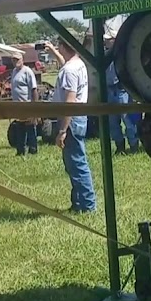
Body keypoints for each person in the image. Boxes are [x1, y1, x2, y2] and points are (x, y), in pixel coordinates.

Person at [52, 35, 96, 213]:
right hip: (79, 117)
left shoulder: (69, 70)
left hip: (71, 119)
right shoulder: (78, 64)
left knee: (76, 163)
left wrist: (63, 129)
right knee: (74, 162)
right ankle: (78, 203)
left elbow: (69, 100)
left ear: (63, 46)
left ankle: (87, 205)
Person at [105, 53, 139, 155]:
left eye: (109, 39)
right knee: (113, 122)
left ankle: (134, 146)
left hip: (122, 89)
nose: (106, 41)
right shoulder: (105, 54)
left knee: (128, 119)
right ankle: (120, 147)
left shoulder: (123, 53)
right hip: (109, 89)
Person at [8, 53, 40, 156]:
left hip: (27, 105)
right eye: (13, 60)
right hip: (17, 106)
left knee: (30, 128)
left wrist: (34, 108)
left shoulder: (28, 71)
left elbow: (34, 90)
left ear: (22, 60)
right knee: (20, 128)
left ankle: (33, 150)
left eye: (17, 59)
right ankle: (20, 151)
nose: (15, 61)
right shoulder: (14, 72)